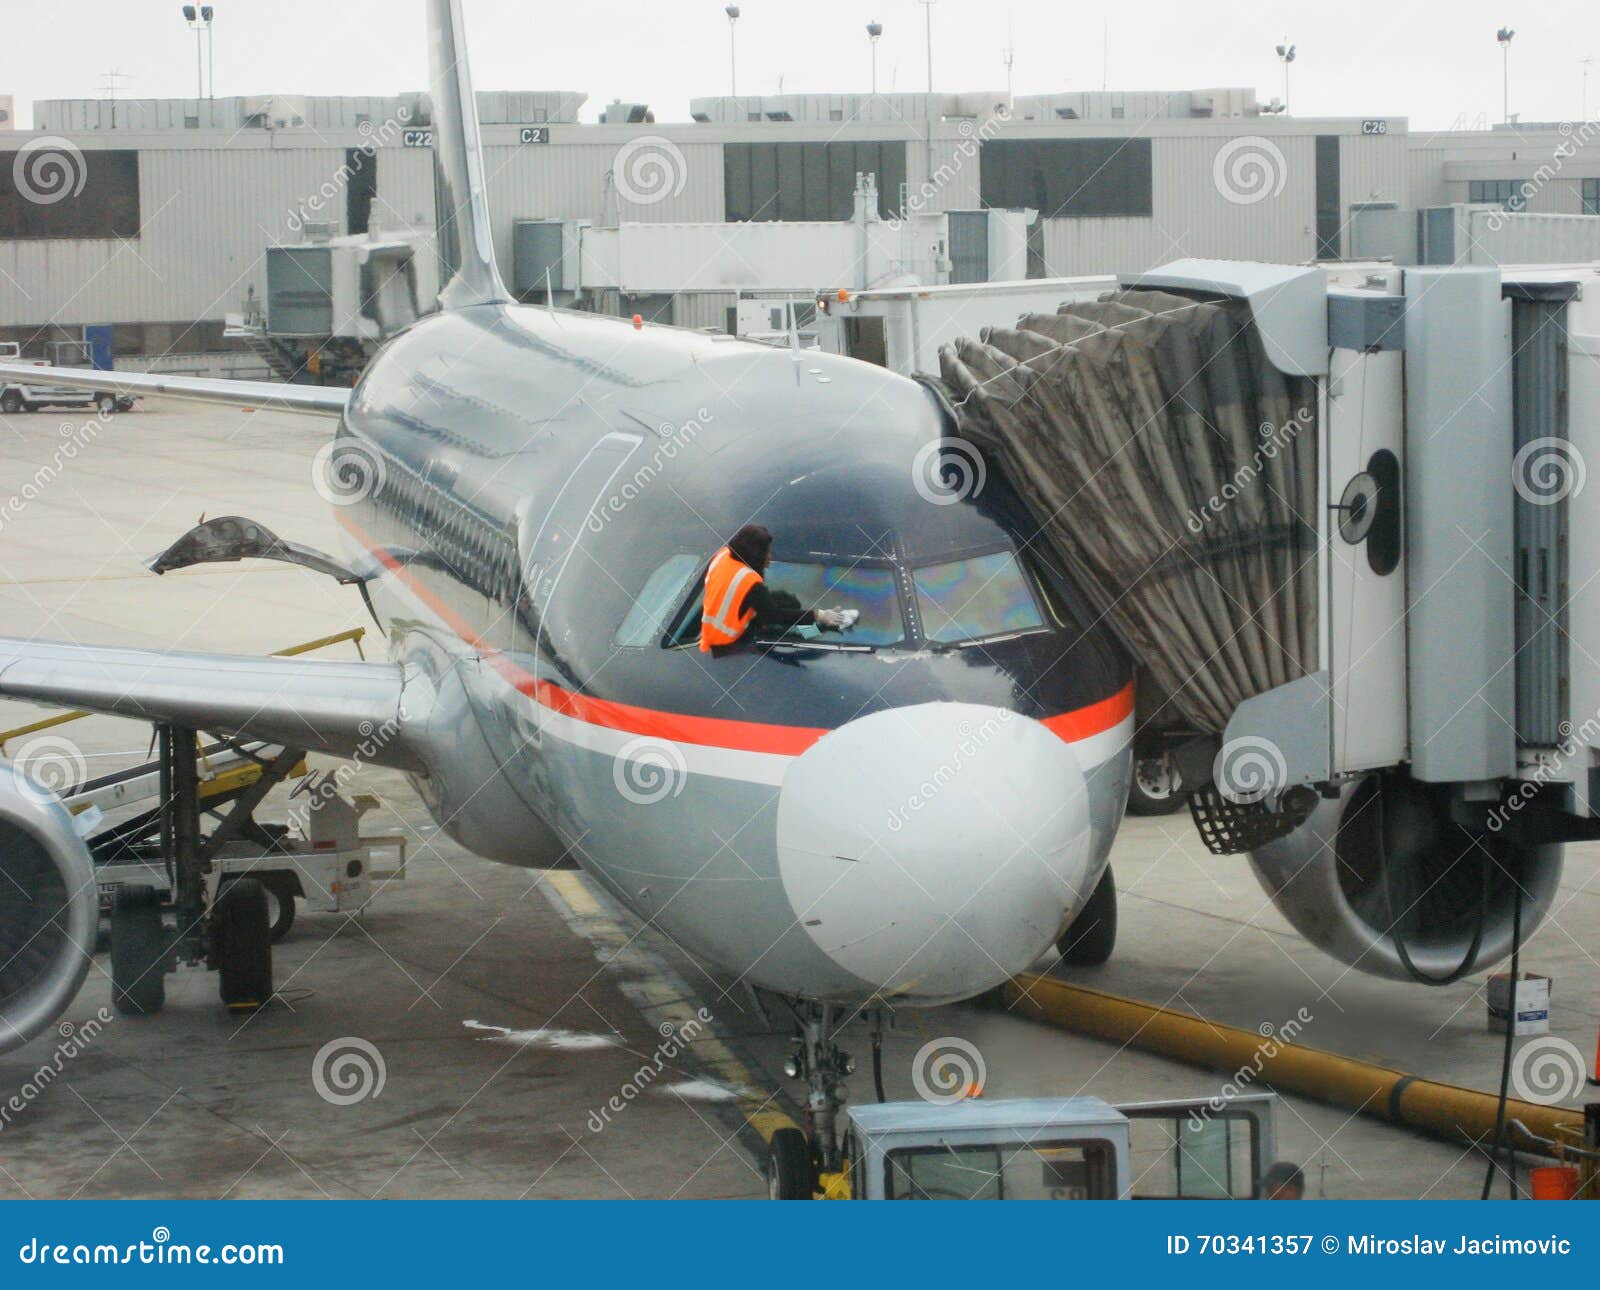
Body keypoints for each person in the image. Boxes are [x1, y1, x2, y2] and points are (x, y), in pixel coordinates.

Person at [699, 523, 851, 653]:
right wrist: (820, 616)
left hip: (719, 630)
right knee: (789, 628)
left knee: (786, 601)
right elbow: (774, 616)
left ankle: (812, 626)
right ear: (756, 555)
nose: (770, 556)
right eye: (767, 552)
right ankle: (816, 628)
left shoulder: (724, 555)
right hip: (732, 643)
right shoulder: (749, 583)